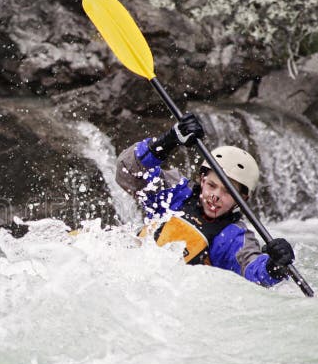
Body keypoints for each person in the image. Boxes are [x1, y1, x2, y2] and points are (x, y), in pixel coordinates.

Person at [115, 113, 295, 286]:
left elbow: (253, 271)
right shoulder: (174, 193)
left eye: (227, 192)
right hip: (126, 273)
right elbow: (127, 172)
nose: (215, 196)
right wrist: (168, 141)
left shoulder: (234, 237)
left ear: (242, 199)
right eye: (211, 185)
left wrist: (274, 266)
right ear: (202, 180)